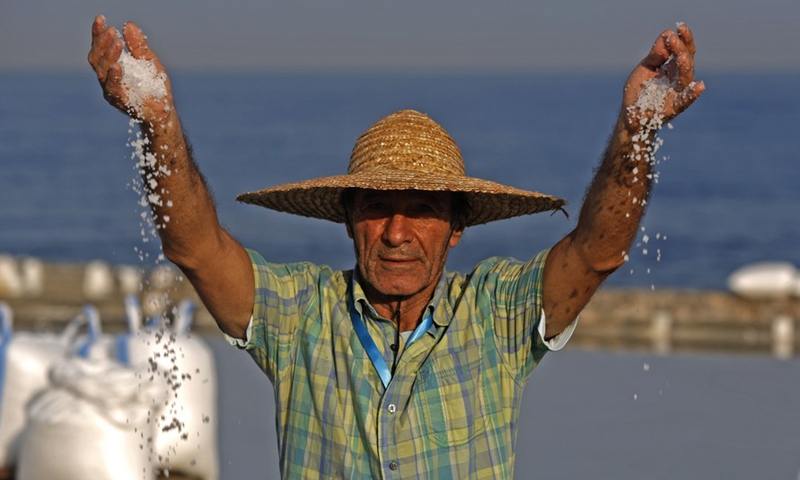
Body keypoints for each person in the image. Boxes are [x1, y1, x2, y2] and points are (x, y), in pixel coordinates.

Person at [88, 15, 704, 479]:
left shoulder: (496, 313)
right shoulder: (300, 313)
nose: (397, 233)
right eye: (377, 208)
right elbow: (195, 247)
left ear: (458, 226)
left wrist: (637, 129)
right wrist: (157, 122)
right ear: (348, 219)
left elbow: (597, 251)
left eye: (425, 211)